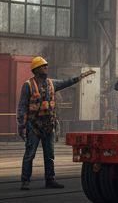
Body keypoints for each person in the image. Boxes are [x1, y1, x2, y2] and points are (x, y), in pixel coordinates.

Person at [16, 56, 94, 190]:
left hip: (48, 125)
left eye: (46, 65)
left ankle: (50, 180)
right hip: (33, 126)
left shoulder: (52, 83)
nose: (46, 67)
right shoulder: (28, 86)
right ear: (36, 69)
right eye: (43, 66)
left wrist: (79, 77)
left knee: (49, 155)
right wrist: (21, 126)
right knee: (30, 154)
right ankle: (25, 181)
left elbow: (66, 82)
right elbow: (22, 107)